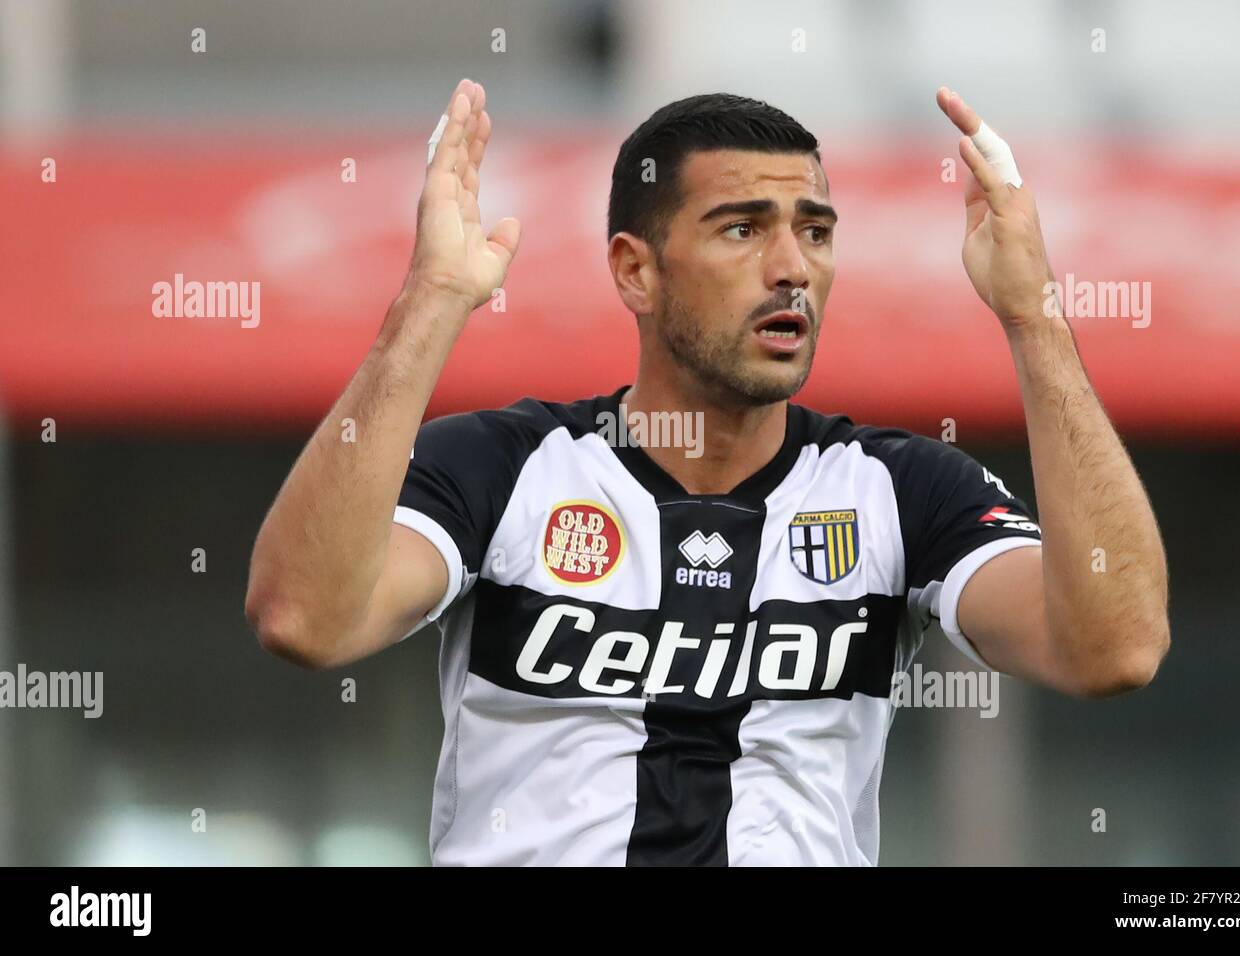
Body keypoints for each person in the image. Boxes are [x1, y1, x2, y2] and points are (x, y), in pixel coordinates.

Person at [245, 79, 1170, 865]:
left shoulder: (900, 488)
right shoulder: (504, 465)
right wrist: (430, 304)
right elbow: (304, 619)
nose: (790, 268)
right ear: (635, 272)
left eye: (815, 231)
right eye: (742, 229)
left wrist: (1035, 318)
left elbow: (1115, 648)